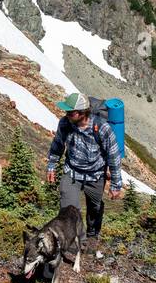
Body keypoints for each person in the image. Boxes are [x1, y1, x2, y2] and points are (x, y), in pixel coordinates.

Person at [45, 91, 123, 251]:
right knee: (68, 210)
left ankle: (93, 234)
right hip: (71, 172)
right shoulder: (65, 124)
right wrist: (52, 165)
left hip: (95, 176)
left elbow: (114, 156)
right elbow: (58, 144)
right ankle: (72, 243)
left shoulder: (102, 128)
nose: (66, 114)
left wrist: (116, 184)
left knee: (94, 208)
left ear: (81, 113)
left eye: (70, 112)